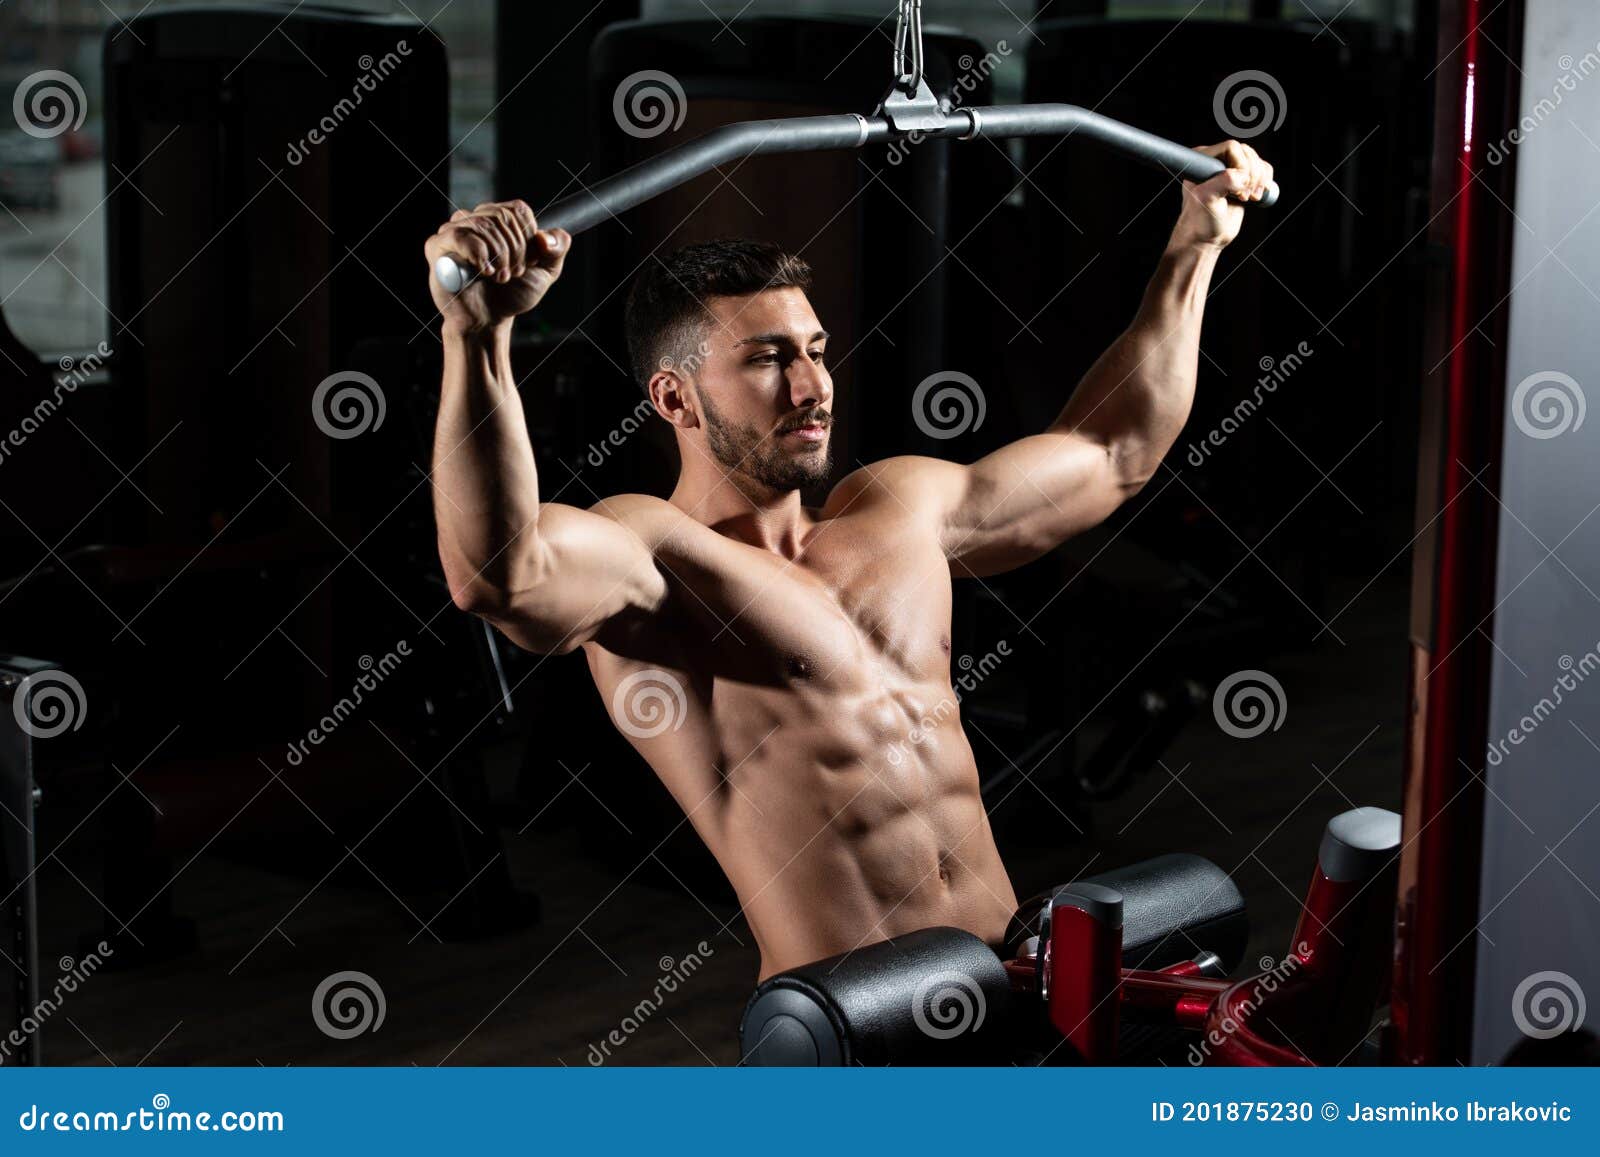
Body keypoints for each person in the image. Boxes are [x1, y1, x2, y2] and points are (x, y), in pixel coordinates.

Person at [424, 141, 1274, 980]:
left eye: (815, 350)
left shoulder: (899, 508)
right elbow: (499, 572)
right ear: (672, 396)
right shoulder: (657, 558)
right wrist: (478, 336)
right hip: (855, 1028)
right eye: (765, 360)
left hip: (1010, 980)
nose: (811, 387)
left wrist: (1196, 242)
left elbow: (1111, 449)